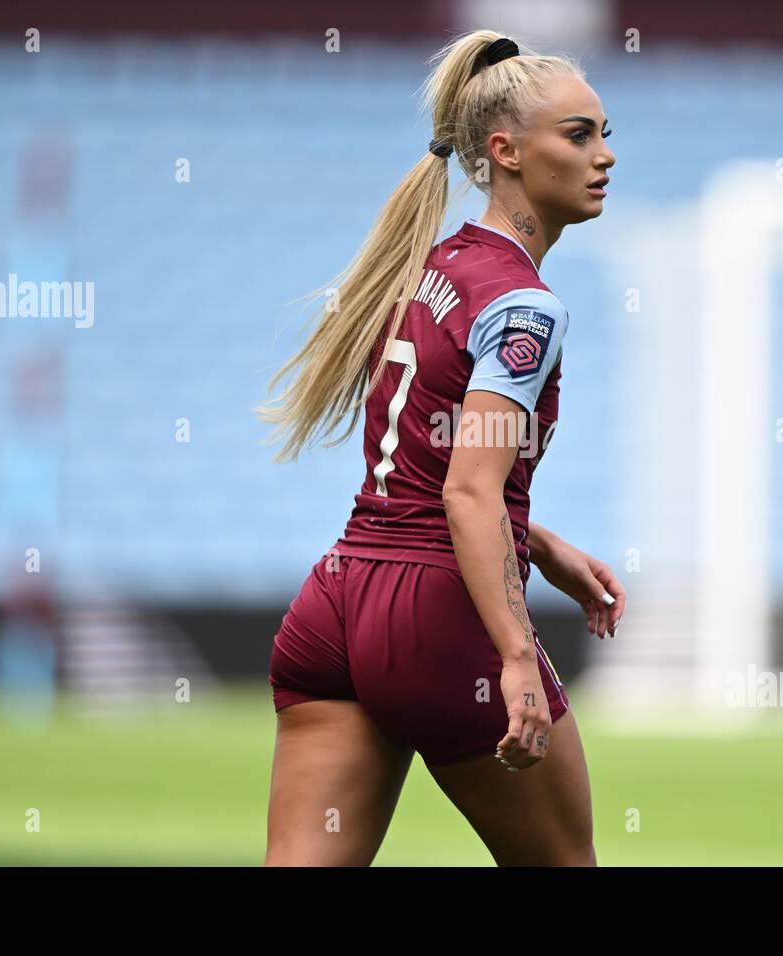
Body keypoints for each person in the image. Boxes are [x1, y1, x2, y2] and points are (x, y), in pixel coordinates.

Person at [255, 30, 622, 866]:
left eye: (605, 134)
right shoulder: (524, 307)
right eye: (579, 135)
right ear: (505, 151)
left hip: (337, 607)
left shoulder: (429, 267)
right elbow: (464, 492)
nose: (604, 156)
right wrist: (517, 657)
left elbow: (425, 470)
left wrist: (542, 544)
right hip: (436, 616)